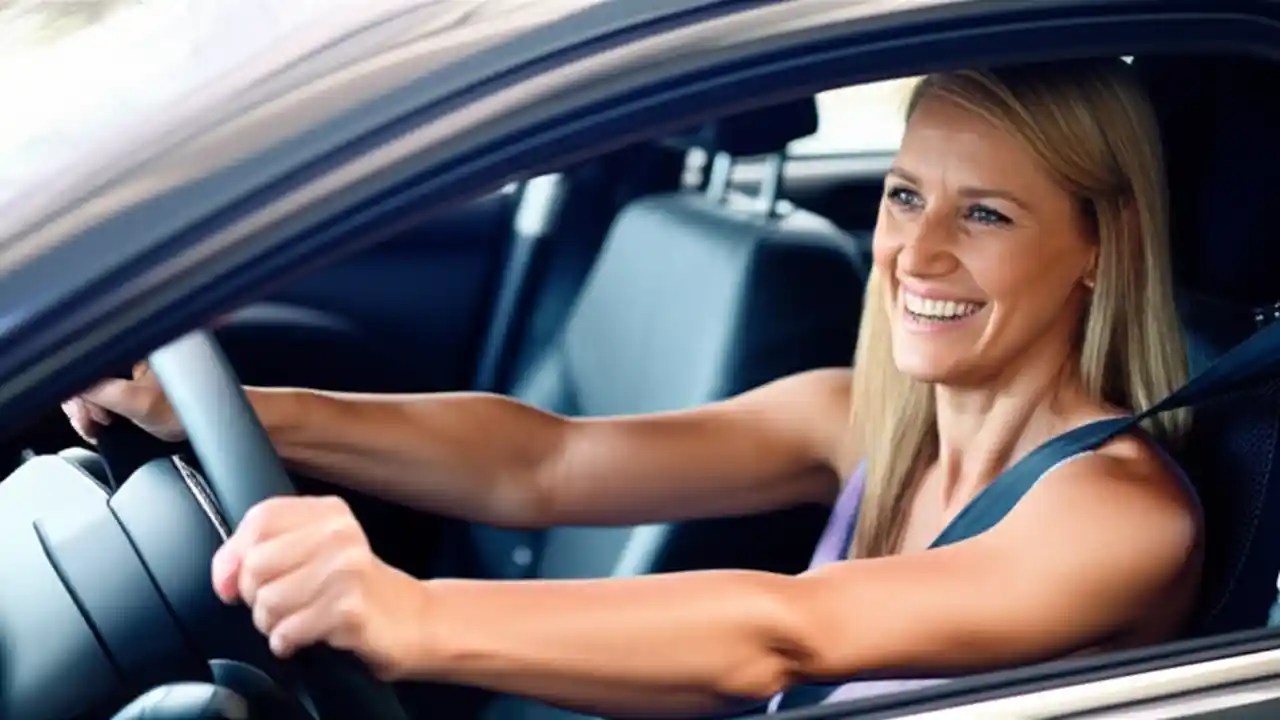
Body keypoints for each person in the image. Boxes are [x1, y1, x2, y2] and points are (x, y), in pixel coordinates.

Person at [63, 58, 1202, 718]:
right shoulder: (859, 419)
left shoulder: (1116, 515)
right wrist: (222, 414)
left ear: (1101, 245)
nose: (917, 253)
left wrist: (415, 615)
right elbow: (540, 463)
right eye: (905, 197)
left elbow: (787, 635)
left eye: (985, 214)